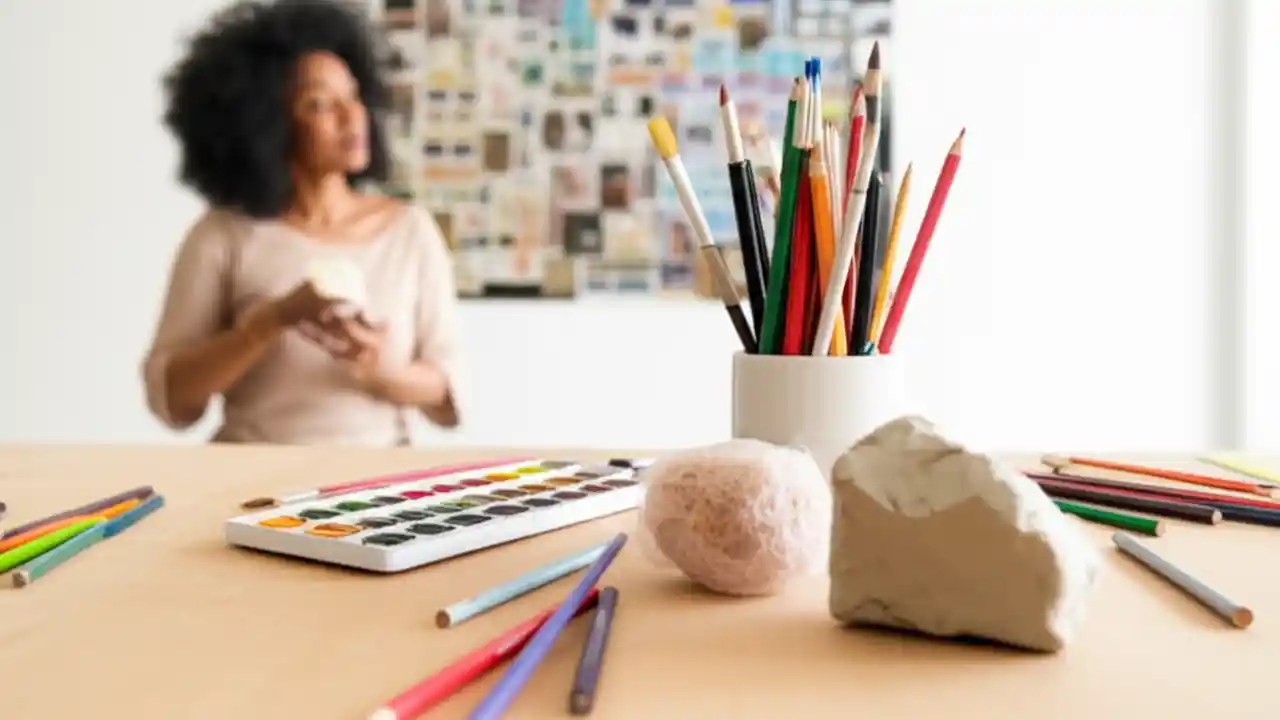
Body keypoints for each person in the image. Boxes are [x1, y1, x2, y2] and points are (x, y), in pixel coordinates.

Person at [143, 0, 463, 445]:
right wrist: (270, 321)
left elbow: (446, 396)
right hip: (247, 487)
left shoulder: (409, 229)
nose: (353, 117)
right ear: (268, 124)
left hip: (377, 490)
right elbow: (173, 400)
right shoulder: (223, 234)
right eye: (320, 105)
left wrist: (376, 369)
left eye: (353, 97)